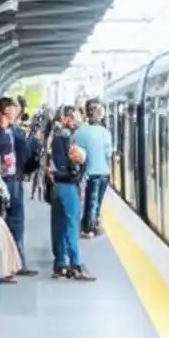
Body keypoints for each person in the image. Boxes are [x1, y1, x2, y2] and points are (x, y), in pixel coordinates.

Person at [0, 97, 37, 281]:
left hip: (15, 180)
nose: (15, 114)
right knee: (3, 224)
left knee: (17, 222)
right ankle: (3, 267)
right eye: (11, 111)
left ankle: (18, 262)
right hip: (2, 183)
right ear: (2, 112)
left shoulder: (11, 132)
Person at [49, 106, 95, 281]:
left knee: (58, 225)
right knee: (71, 225)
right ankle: (76, 265)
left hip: (55, 185)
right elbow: (73, 162)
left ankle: (60, 263)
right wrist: (81, 160)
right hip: (67, 185)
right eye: (74, 118)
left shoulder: (52, 134)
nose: (77, 121)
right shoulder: (65, 136)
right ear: (65, 118)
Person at [74, 102, 114, 238]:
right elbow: (109, 153)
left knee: (90, 200)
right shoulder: (105, 132)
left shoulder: (81, 132)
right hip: (103, 172)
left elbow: (75, 150)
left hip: (88, 172)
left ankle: (88, 226)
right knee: (97, 202)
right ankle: (91, 226)